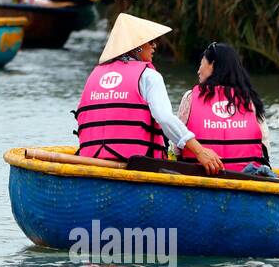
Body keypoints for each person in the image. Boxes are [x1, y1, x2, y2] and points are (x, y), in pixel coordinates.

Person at [74, 13, 224, 173]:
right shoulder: (149, 76)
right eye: (150, 41)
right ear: (136, 46)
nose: (155, 46)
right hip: (138, 165)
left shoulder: (94, 75)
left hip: (92, 161)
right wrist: (200, 151)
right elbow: (164, 118)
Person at [175, 42, 269, 171]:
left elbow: (177, 145)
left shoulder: (190, 97)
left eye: (201, 64)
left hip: (198, 175)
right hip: (246, 176)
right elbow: (265, 147)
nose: (198, 70)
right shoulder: (251, 99)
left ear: (212, 64)